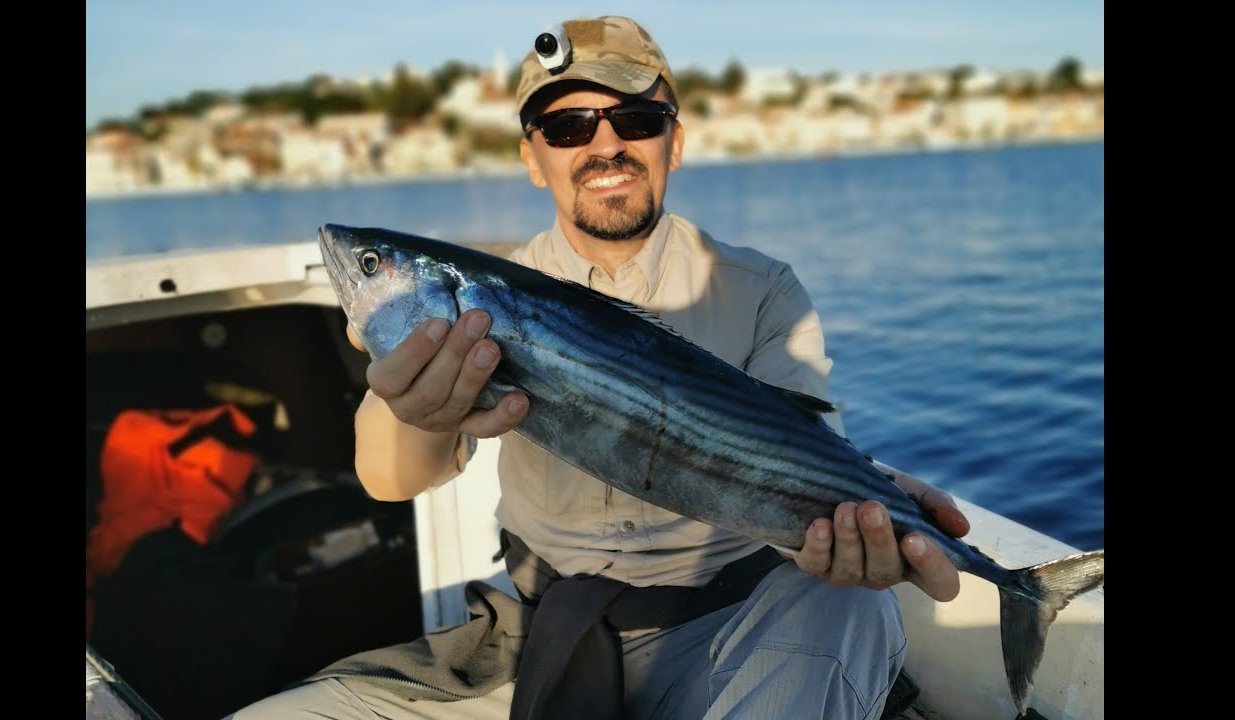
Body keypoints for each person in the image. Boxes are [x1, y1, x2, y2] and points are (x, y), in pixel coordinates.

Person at [229, 15, 970, 720]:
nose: (605, 145)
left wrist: (869, 504)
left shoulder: (762, 288)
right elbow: (389, 479)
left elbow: (799, 444)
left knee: (854, 604)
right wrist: (412, 410)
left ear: (674, 143)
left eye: (637, 120)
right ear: (532, 157)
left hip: (735, 623)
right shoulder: (484, 296)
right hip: (537, 635)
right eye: (568, 127)